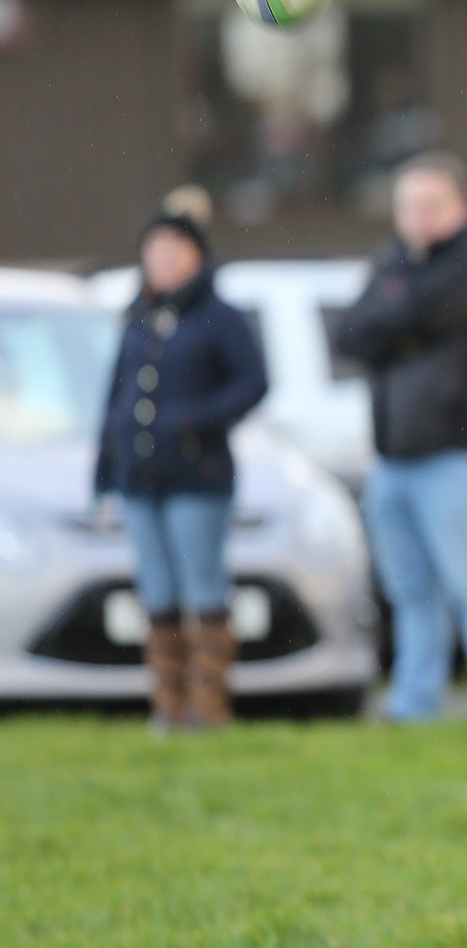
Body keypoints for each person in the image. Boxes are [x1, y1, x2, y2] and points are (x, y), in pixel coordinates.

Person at [336, 151, 467, 721]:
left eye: (432, 204)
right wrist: (402, 328)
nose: (419, 217)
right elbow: (353, 333)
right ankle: (414, 701)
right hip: (393, 457)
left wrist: (396, 325)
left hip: (456, 455)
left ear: (460, 206)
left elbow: (416, 312)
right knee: (410, 592)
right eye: (409, 205)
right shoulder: (390, 264)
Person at [95, 196, 268, 731]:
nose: (165, 259)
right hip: (140, 476)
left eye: (176, 248)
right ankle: (167, 706)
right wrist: (103, 473)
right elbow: (116, 398)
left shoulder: (219, 317)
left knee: (202, 585)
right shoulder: (140, 316)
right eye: (156, 250)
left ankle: (208, 707)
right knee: (157, 590)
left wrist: (196, 420)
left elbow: (253, 383)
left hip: (197, 475)